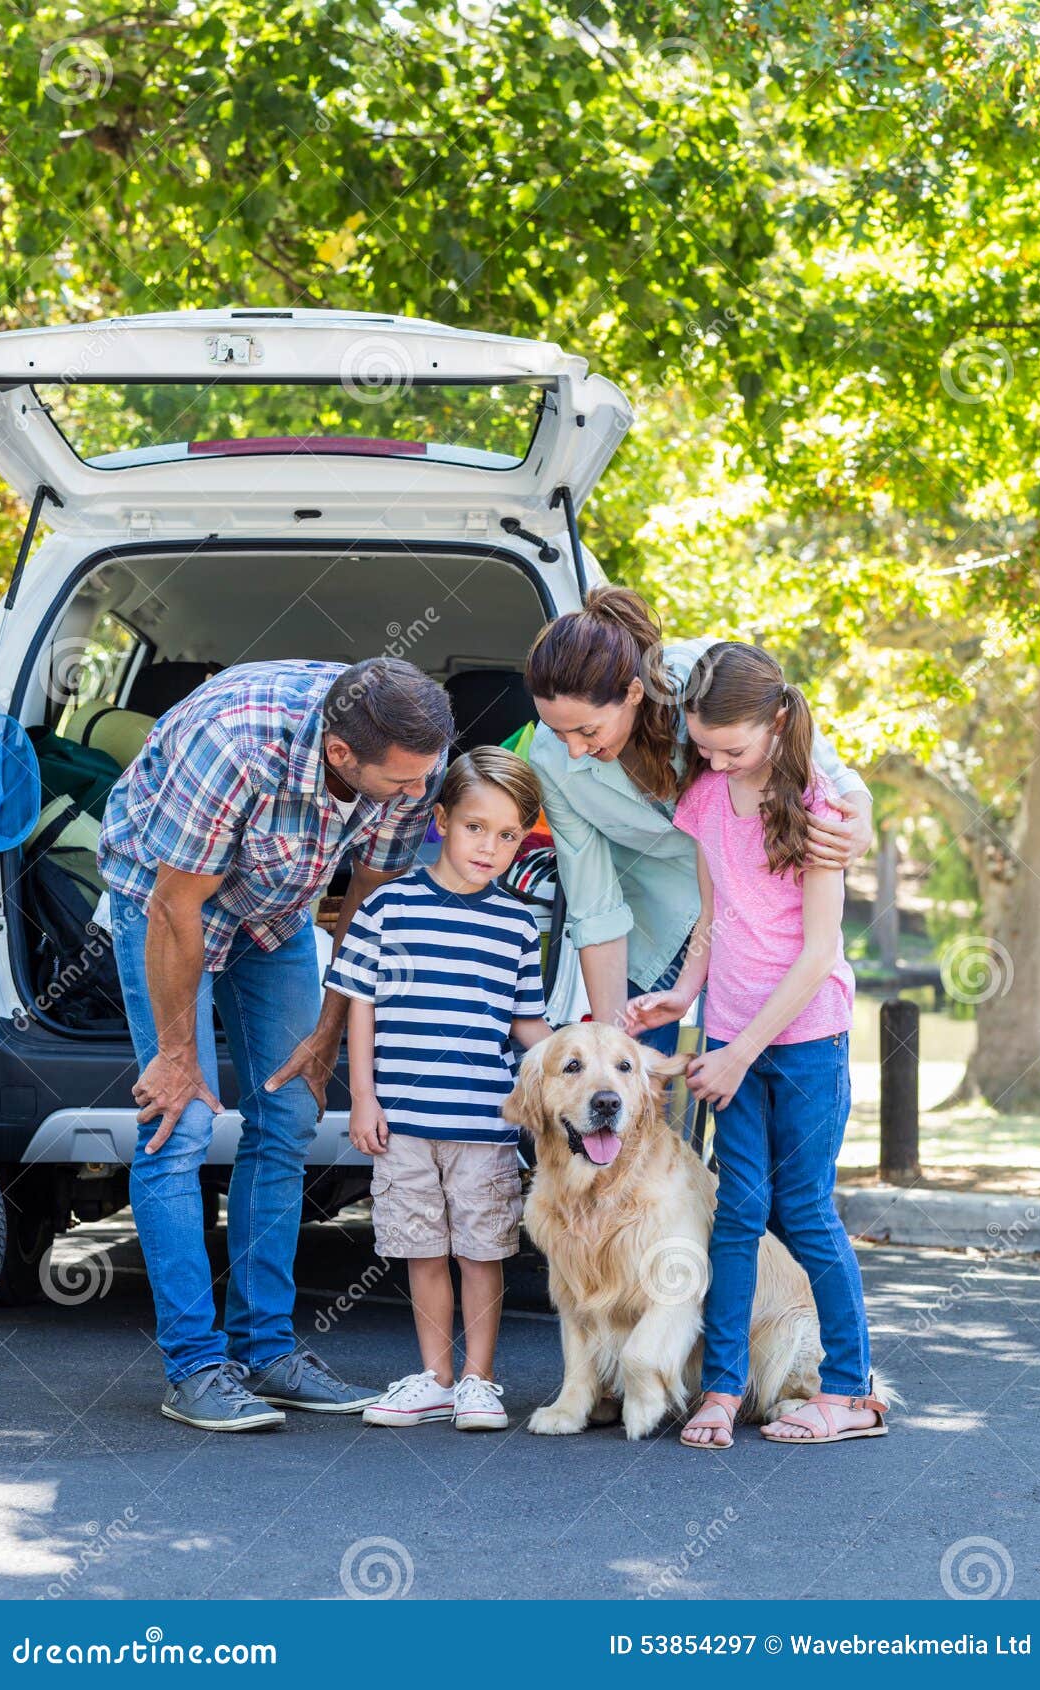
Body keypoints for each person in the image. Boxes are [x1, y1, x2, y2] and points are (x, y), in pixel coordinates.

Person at [98, 657, 454, 1431]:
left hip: (280, 910)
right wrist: (178, 1053)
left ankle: (267, 1351)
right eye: (397, 783)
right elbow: (175, 904)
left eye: (420, 779)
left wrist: (330, 1026)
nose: (415, 794)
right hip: (164, 900)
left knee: (290, 1118)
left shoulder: (414, 754)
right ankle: (194, 1368)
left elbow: (369, 892)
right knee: (179, 1121)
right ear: (339, 755)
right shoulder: (232, 744)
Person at [625, 642, 890, 1449]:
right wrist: (683, 991)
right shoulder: (706, 801)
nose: (714, 760)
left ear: (777, 722)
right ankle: (722, 1389)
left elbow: (817, 956)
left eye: (731, 748)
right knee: (735, 1215)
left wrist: (739, 1052)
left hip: (803, 1041)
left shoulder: (820, 809)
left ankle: (848, 1391)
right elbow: (713, 917)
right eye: (704, 747)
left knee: (803, 1211)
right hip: (730, 1035)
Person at [525, 588, 874, 1054]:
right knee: (630, 1064)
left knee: (757, 1060)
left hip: (756, 906)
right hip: (656, 912)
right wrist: (611, 1040)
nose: (572, 748)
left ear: (632, 693)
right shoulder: (551, 761)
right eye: (555, 729)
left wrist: (860, 816)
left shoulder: (701, 674)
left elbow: (808, 752)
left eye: (588, 730)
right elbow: (594, 903)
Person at [325, 748, 551, 1432]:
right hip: (403, 1123)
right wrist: (363, 1098)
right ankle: (435, 1378)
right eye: (475, 828)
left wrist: (587, 1058)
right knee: (421, 1251)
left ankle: (479, 1383)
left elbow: (526, 1024)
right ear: (441, 819)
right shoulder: (387, 906)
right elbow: (358, 1003)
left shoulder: (516, 923)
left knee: (482, 1254)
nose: (490, 847)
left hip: (486, 1123)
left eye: (508, 835)